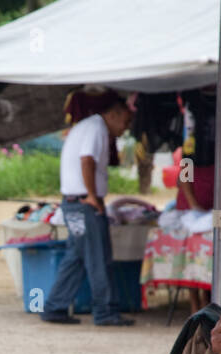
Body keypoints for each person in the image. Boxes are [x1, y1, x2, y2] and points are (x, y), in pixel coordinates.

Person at [41, 89, 135, 328]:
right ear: (114, 114)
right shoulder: (96, 128)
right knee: (98, 257)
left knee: (77, 256)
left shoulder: (89, 126)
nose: (125, 129)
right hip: (84, 203)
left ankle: (54, 306)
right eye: (125, 122)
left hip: (73, 203)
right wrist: (93, 195)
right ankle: (105, 311)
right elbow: (87, 160)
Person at [175, 86, 221, 312]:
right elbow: (184, 177)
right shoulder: (191, 141)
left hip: (212, 203)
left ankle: (205, 299)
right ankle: (195, 302)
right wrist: (194, 206)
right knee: (193, 252)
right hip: (192, 205)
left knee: (209, 253)